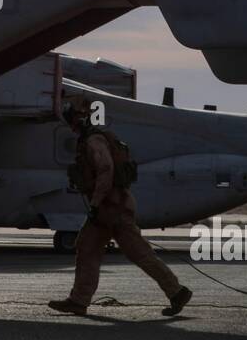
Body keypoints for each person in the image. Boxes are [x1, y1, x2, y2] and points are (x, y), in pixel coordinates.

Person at [48, 95, 193, 317]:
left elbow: (106, 170)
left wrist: (95, 203)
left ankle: (176, 291)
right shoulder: (92, 139)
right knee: (87, 248)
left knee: (139, 253)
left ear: (78, 118)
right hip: (108, 208)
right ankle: (78, 300)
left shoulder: (94, 141)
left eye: (71, 117)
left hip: (112, 208)